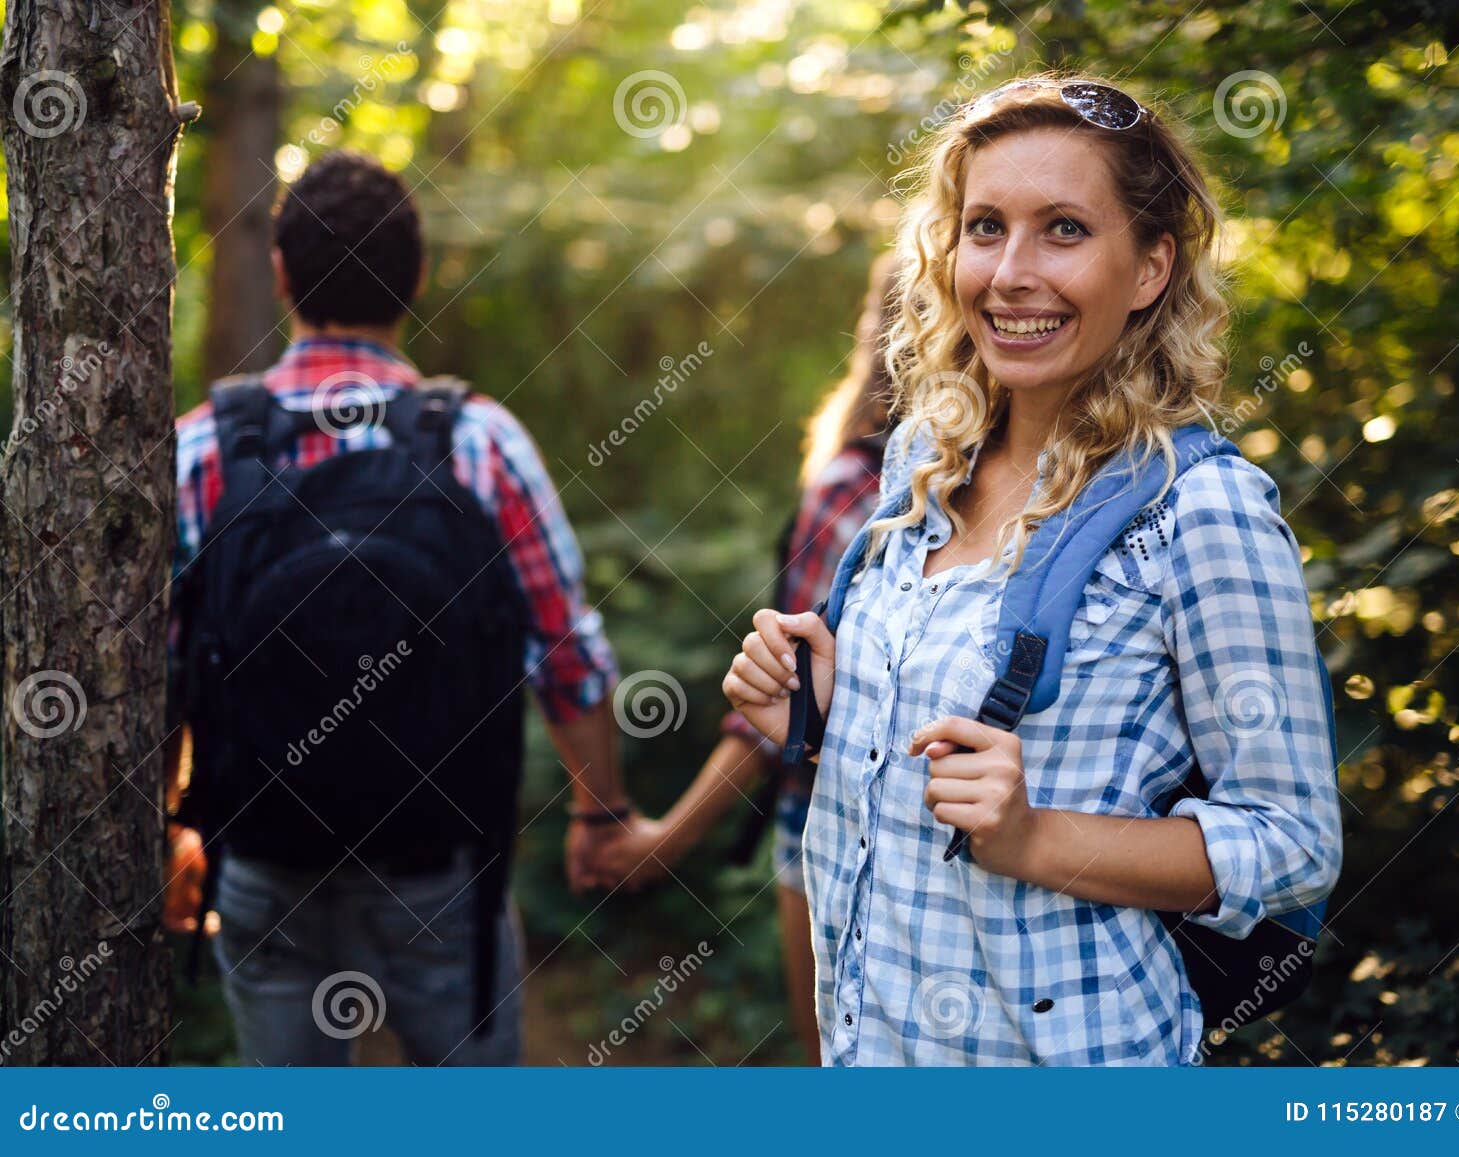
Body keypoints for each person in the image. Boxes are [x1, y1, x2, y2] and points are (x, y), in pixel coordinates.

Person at [722, 73, 1343, 1066]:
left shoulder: (1200, 509)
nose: (1010, 272)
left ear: (1147, 268)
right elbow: (922, 754)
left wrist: (1032, 836)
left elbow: (1293, 840)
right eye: (983, 227)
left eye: (1062, 229)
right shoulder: (922, 458)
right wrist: (821, 702)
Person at [164, 150, 634, 1066]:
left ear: (282, 274)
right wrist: (600, 813)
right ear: (415, 277)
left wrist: (169, 827)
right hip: (440, 863)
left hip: (264, 858)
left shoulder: (204, 447)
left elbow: (163, 665)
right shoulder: (478, 441)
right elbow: (568, 655)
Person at [589, 253, 900, 1064]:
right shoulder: (1004, 485)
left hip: (830, 823)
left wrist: (668, 840)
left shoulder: (856, 486)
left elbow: (781, 711)